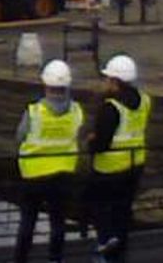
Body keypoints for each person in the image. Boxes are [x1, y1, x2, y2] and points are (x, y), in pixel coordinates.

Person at [15, 60, 83, 263]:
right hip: (63, 173)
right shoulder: (77, 111)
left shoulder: (34, 111)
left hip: (33, 174)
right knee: (58, 220)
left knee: (28, 220)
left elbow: (20, 136)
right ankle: (55, 258)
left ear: (45, 84)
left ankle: (21, 259)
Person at [88, 54, 150, 261]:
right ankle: (120, 249)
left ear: (115, 82)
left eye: (108, 79)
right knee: (123, 210)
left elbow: (101, 144)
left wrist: (91, 141)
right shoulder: (144, 100)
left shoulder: (111, 108)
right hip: (135, 165)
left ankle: (106, 243)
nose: (106, 83)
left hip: (109, 168)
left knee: (99, 206)